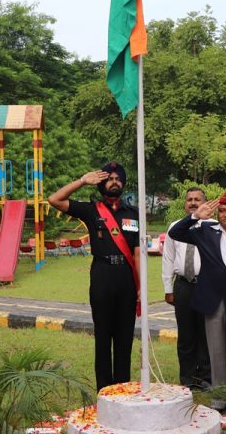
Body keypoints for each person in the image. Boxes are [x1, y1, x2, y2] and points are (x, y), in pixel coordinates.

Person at [48, 163, 140, 391]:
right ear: (101, 184)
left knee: (125, 337)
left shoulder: (133, 214)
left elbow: (137, 252)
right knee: (103, 335)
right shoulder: (91, 210)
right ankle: (104, 390)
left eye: (119, 178)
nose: (114, 181)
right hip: (102, 275)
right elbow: (54, 199)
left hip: (127, 279)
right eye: (109, 178)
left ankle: (122, 387)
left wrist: (140, 286)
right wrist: (82, 180)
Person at [168, 190, 226, 412]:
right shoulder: (205, 231)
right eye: (222, 210)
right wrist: (195, 216)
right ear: (217, 213)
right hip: (212, 302)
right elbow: (175, 232)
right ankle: (220, 399)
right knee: (216, 353)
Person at [161, 186, 211, 390]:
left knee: (206, 334)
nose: (193, 202)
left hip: (207, 287)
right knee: (186, 334)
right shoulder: (176, 227)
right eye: (189, 199)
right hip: (183, 286)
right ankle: (188, 378)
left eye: (197, 199)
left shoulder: (213, 226)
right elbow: (168, 257)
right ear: (185, 204)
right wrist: (168, 287)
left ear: (205, 203)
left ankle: (206, 377)